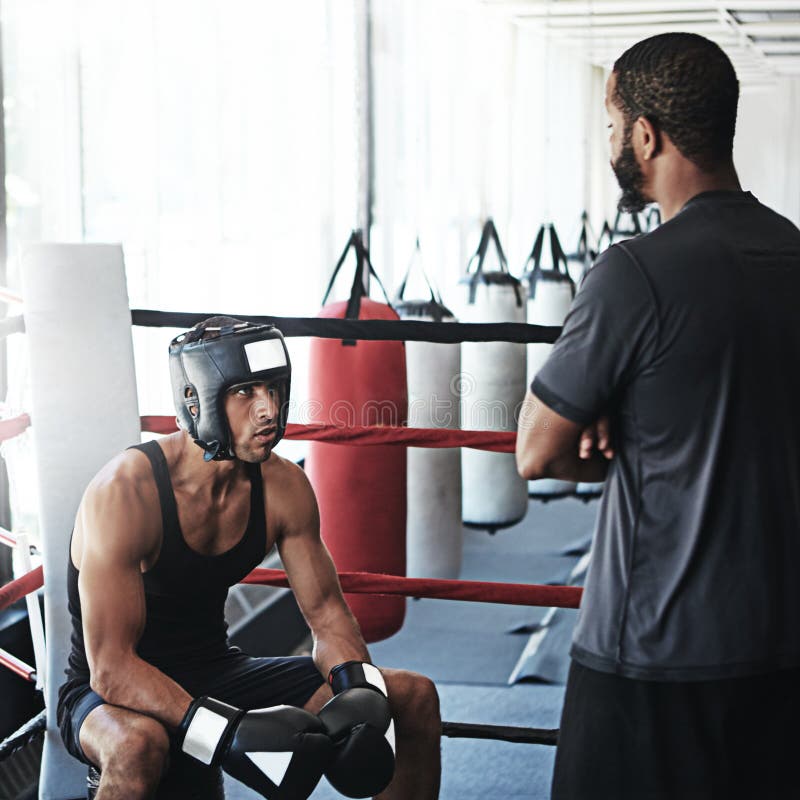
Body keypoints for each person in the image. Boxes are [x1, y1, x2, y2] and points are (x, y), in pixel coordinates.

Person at [516, 32, 800, 799]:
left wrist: (615, 430)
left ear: (646, 135)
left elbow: (537, 451)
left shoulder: (634, 273)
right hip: (782, 649)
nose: (612, 142)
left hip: (653, 651)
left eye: (613, 126)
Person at [56, 316, 441, 800]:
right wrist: (224, 733)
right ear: (196, 398)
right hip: (106, 693)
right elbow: (112, 668)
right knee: (137, 746)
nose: (268, 409)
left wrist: (359, 696)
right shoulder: (126, 491)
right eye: (246, 392)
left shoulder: (283, 487)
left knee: (410, 697)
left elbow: (327, 616)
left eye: (274, 390)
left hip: (216, 671)